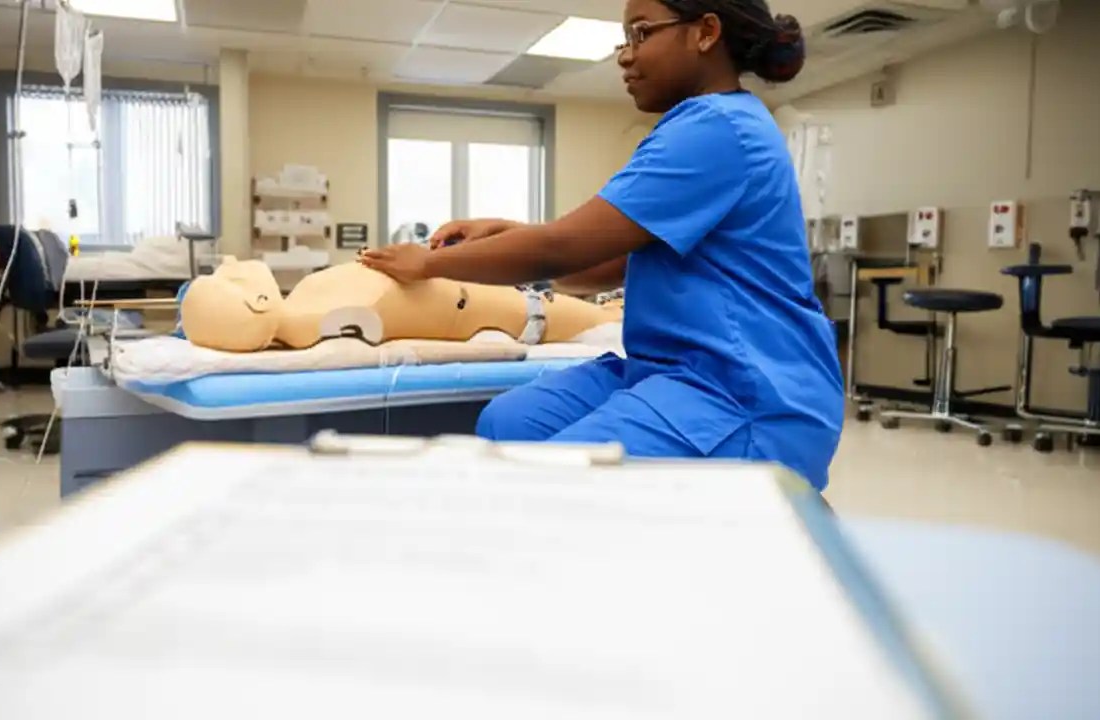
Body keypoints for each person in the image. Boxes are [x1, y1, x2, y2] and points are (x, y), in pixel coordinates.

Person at [361, 0, 844, 490]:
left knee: (556, 481)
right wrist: (508, 231)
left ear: (705, 33)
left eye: (640, 33)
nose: (625, 56)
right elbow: (603, 262)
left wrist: (429, 263)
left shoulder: (719, 128)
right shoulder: (700, 126)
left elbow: (564, 247)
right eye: (624, 39)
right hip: (670, 371)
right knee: (507, 424)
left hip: (745, 392)